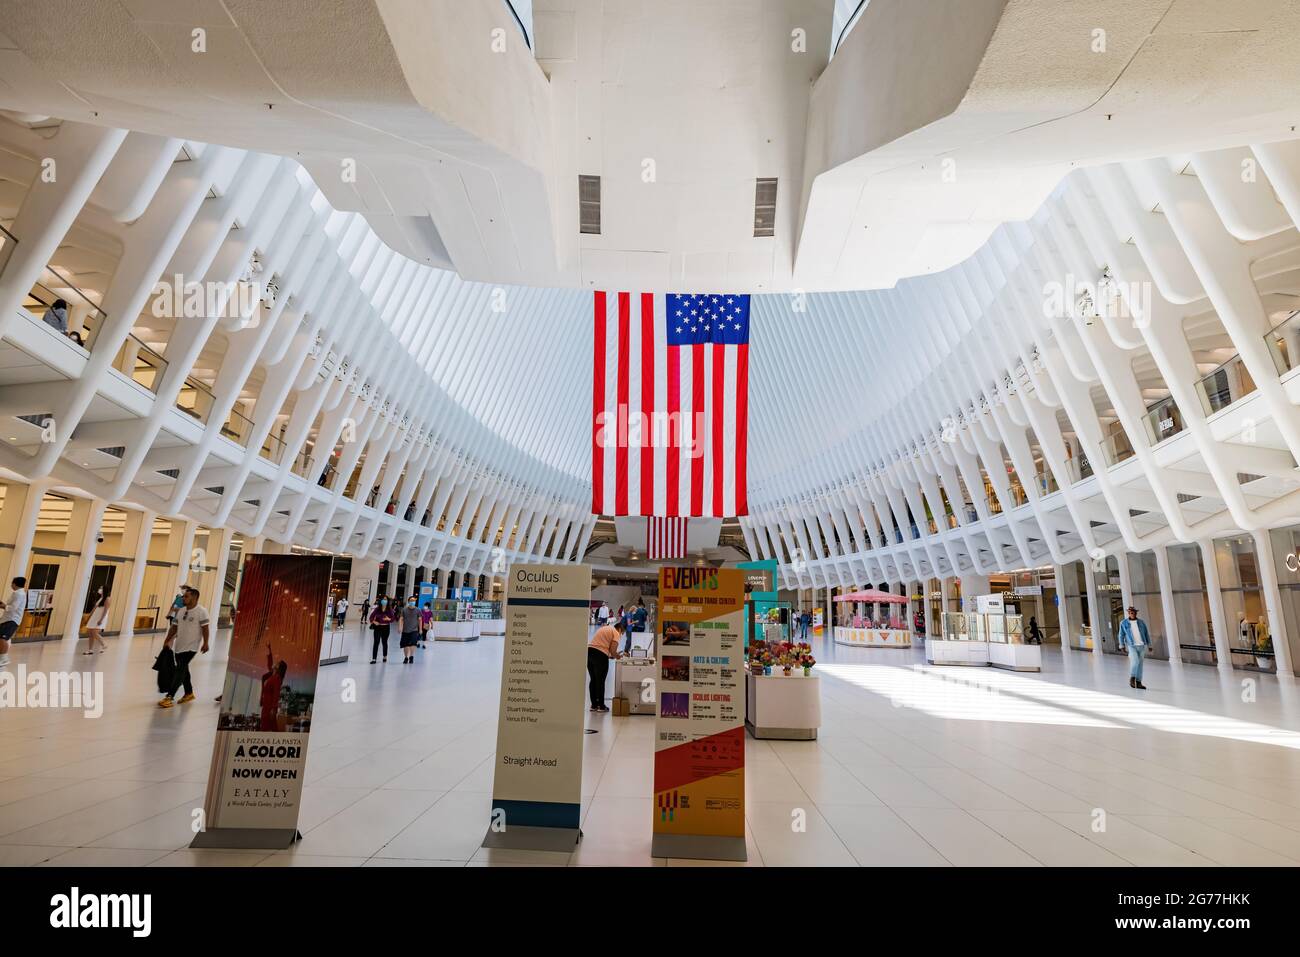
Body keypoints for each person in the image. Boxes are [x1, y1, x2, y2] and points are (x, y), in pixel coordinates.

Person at [158, 587, 209, 708]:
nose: (183, 598)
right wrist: (167, 640)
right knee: (183, 669)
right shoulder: (181, 611)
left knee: (180, 669)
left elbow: (205, 628)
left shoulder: (201, 611)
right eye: (184, 596)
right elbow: (174, 627)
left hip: (192, 646)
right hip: (179, 646)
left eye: (186, 596)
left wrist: (205, 643)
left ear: (195, 597)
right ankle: (189, 693)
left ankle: (170, 696)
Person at [587, 618, 624, 712]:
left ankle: (594, 705)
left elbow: (600, 646)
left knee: (593, 680)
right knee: (600, 681)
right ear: (620, 629)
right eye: (622, 633)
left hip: (589, 652)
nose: (621, 635)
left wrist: (610, 656)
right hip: (600, 656)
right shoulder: (616, 632)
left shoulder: (605, 628)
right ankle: (601, 706)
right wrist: (617, 656)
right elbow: (613, 651)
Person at [1117, 605, 1150, 690]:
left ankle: (1138, 682)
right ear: (1128, 613)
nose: (1131, 613)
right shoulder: (1123, 623)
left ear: (1136, 613)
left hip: (1141, 646)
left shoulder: (1141, 622)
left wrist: (1149, 645)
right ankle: (1132, 678)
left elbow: (1146, 633)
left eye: (1133, 611)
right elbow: (1121, 635)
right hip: (1132, 646)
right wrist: (1122, 645)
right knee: (1135, 661)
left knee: (1140, 664)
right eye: (1130, 611)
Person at [0, 576, 26, 669]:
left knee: (3, 638)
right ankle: (2, 657)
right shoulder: (18, 593)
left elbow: (13, 608)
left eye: (12, 583)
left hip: (12, 620)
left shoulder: (18, 594)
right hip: (7, 619)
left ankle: (4, 658)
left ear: (14, 584)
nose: (11, 584)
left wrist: (3, 606)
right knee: (3, 638)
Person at [260, 642, 287, 731]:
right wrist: (269, 649)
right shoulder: (272, 675)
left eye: (278, 663)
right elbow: (270, 663)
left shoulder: (277, 678)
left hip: (269, 706)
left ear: (279, 667)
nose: (275, 663)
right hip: (266, 704)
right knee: (267, 727)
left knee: (267, 727)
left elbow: (276, 694)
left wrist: (273, 709)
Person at [82, 589, 110, 655]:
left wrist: (101, 620)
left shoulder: (108, 599)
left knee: (94, 632)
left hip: (100, 618)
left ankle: (104, 644)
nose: (99, 590)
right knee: (90, 632)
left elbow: (105, 610)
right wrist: (89, 616)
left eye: (101, 588)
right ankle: (90, 650)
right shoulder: (101, 598)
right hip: (94, 617)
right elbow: (95, 608)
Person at [369, 597, 396, 663]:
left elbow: (393, 619)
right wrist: (374, 622)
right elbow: (371, 617)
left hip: (386, 628)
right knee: (376, 642)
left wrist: (388, 619)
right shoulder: (377, 609)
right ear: (381, 601)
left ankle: (385, 656)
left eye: (386, 599)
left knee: (384, 642)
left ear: (387, 601)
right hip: (378, 628)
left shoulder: (389, 609)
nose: (384, 600)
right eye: (383, 599)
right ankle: (374, 659)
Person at [399, 595, 421, 663]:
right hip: (405, 630)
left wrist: (420, 629)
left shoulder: (418, 610)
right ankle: (406, 657)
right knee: (405, 645)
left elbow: (420, 620)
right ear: (408, 601)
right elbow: (401, 619)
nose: (412, 602)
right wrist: (400, 627)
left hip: (414, 630)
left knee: (413, 644)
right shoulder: (404, 609)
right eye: (411, 600)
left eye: (414, 601)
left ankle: (411, 656)